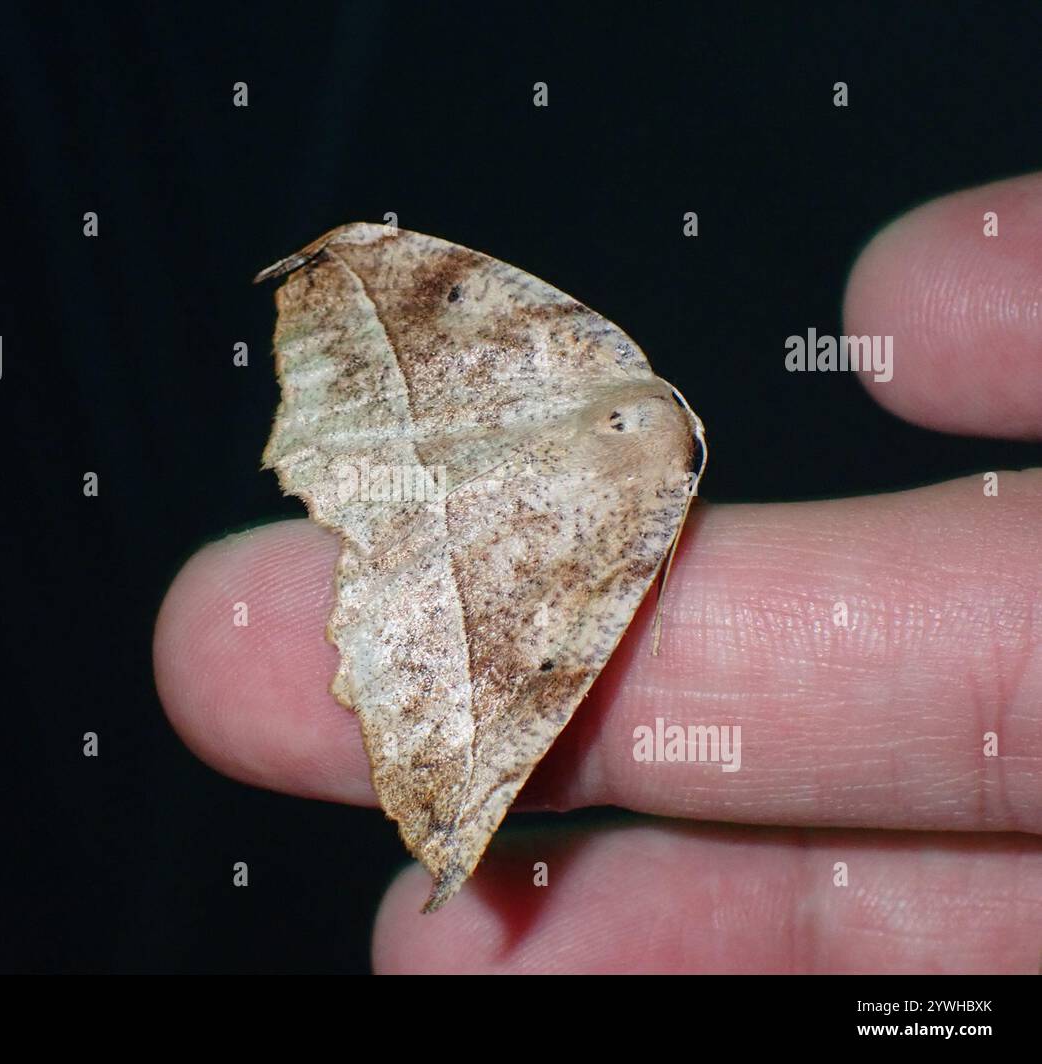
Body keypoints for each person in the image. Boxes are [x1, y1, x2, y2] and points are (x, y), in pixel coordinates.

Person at [154, 174, 1042, 973]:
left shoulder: (593, 353)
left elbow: (396, 285)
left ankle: (444, 803)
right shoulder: (624, 493)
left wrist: (342, 267)